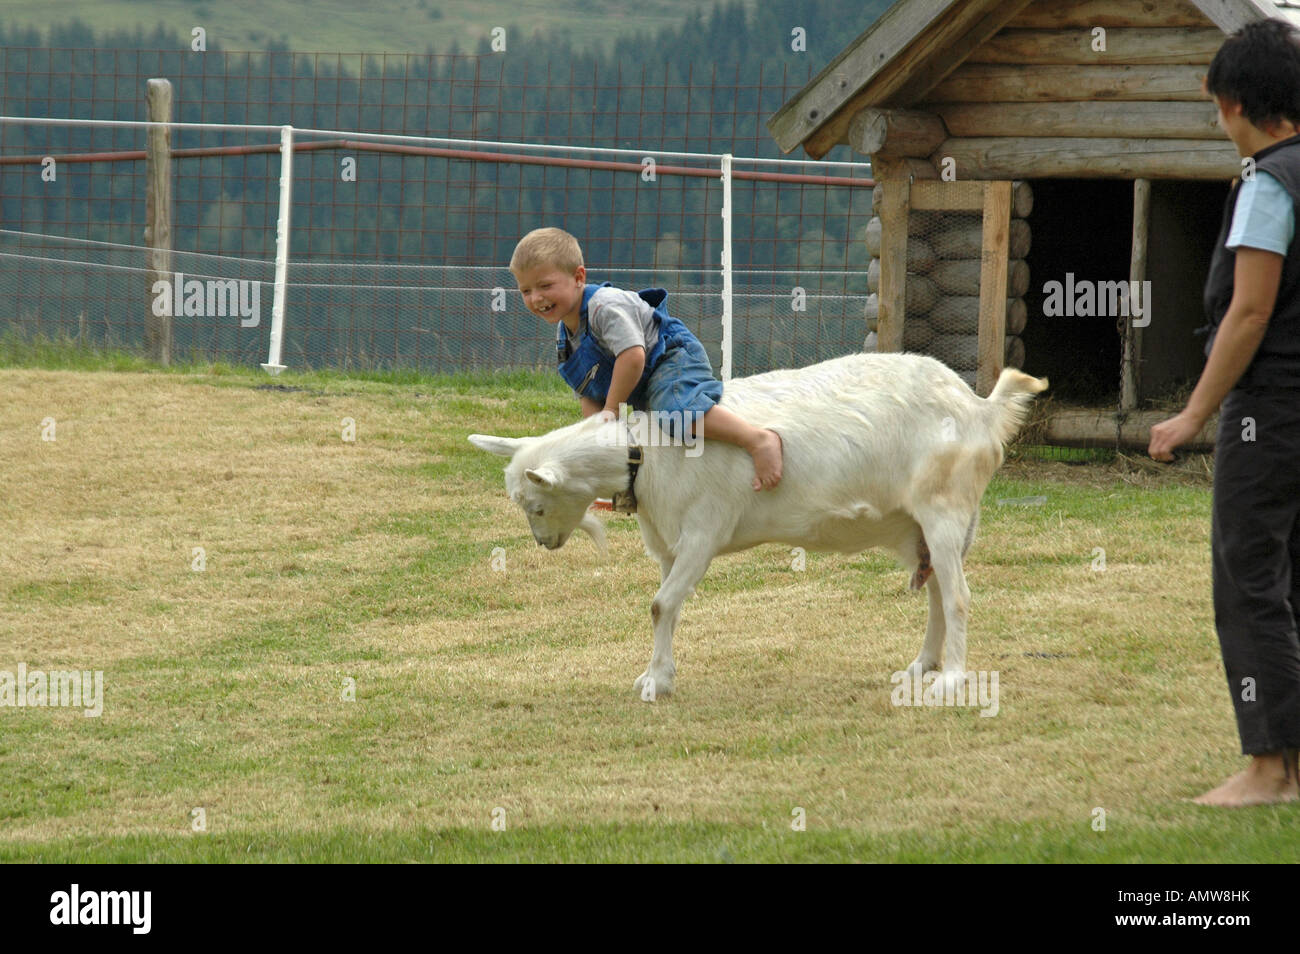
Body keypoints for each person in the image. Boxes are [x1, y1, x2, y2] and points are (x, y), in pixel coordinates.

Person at [1148, 18, 1300, 806]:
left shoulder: (1267, 183)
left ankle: (1269, 768)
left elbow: (1249, 313)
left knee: (1247, 578)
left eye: (1216, 107)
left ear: (1238, 104)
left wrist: (1193, 414)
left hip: (1271, 413)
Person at [509, 226, 783, 491]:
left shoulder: (604, 307)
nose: (536, 298)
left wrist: (613, 408)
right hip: (641, 380)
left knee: (675, 411)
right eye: (526, 291)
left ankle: (758, 440)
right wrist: (599, 433)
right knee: (644, 439)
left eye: (545, 285)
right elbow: (588, 391)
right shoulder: (565, 335)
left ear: (579, 277)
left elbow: (632, 356)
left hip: (669, 357)